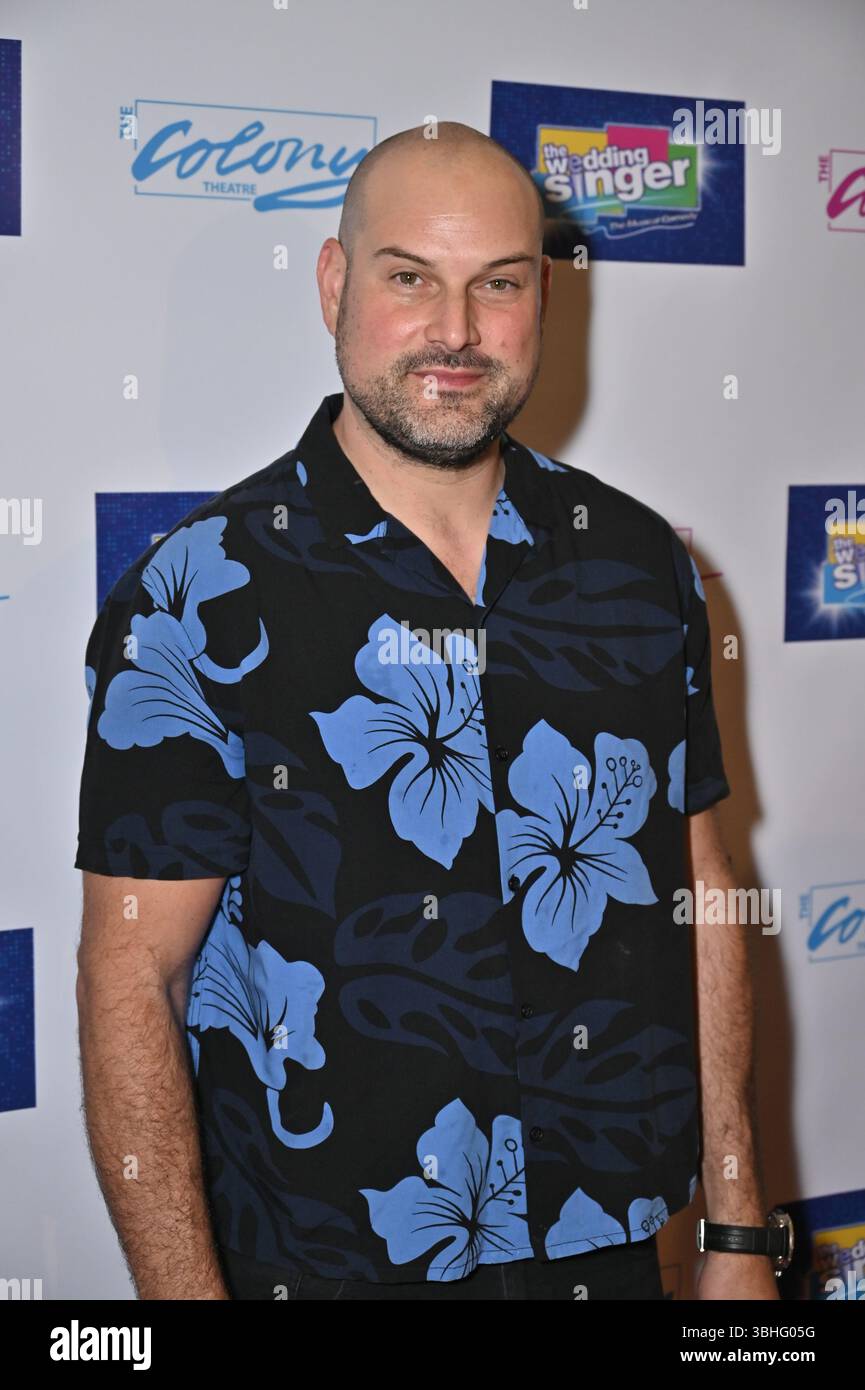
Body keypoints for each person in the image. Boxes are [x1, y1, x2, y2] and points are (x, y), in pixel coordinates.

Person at [74, 122, 778, 1301]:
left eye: (495, 284)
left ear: (541, 299)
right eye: (410, 278)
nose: (455, 331)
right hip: (325, 1267)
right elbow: (130, 982)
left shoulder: (639, 565)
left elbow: (699, 890)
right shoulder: (197, 594)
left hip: (608, 1252)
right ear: (336, 285)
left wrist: (738, 1228)